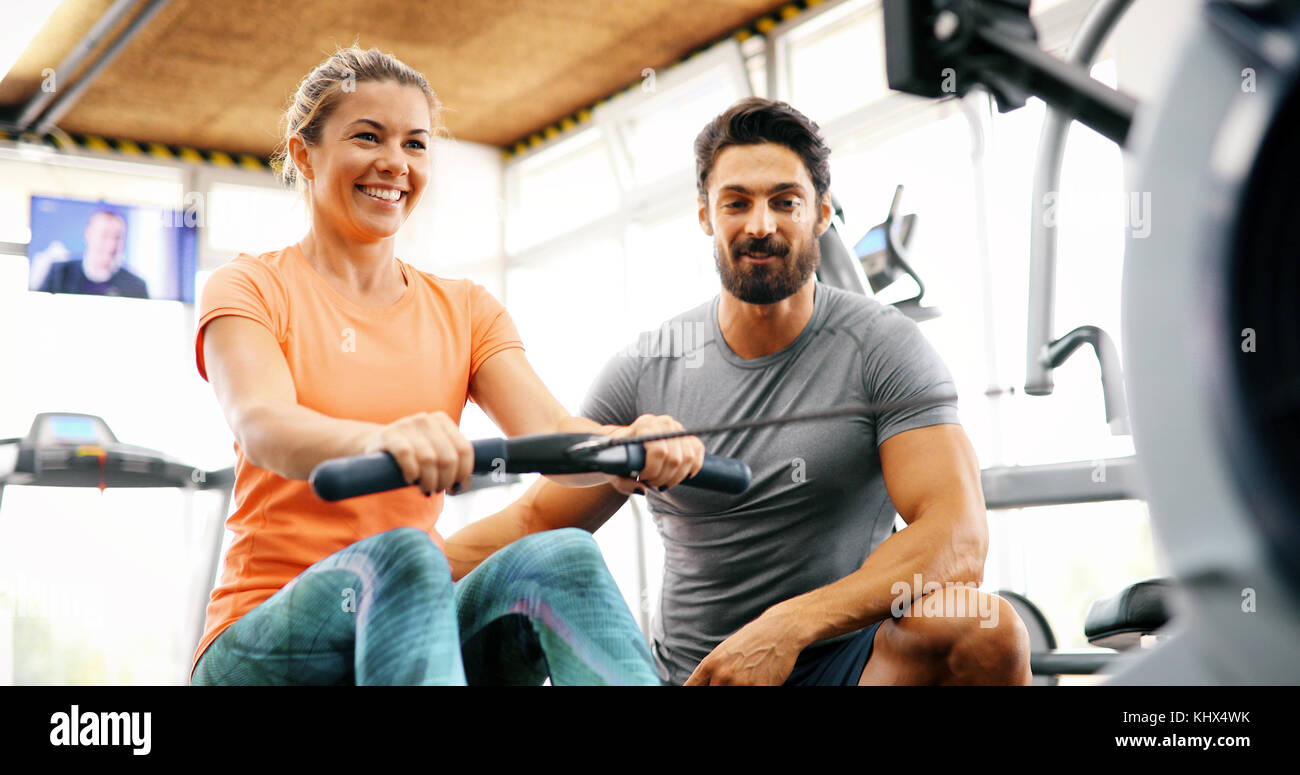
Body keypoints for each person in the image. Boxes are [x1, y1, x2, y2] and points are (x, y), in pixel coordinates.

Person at [444, 97, 1033, 686]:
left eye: (785, 201)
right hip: (702, 676)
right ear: (705, 214)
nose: (760, 225)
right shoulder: (649, 367)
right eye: (736, 203)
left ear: (821, 212)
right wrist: (399, 571)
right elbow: (536, 521)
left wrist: (790, 625)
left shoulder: (884, 346)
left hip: (848, 664)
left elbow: (958, 538)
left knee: (986, 629)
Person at [190, 46, 706, 686]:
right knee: (405, 557)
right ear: (304, 154)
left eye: (415, 144)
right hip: (264, 637)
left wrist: (623, 447)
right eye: (368, 137)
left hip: (414, 618)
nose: (395, 163)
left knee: (563, 555)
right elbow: (265, 425)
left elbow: (548, 432)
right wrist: (384, 439)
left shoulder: (465, 310)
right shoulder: (249, 287)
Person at [37, 209, 149, 298]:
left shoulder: (136, 285)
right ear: (88, 234)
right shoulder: (59, 274)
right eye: (104, 235)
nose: (111, 244)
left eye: (117, 237)